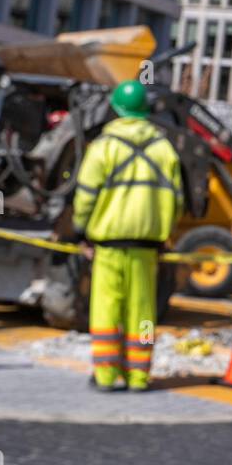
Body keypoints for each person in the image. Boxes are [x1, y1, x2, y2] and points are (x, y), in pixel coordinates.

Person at [72, 80, 183, 392]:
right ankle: (138, 376)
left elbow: (85, 196)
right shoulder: (164, 149)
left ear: (117, 110)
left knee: (106, 309)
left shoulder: (103, 147)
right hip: (147, 247)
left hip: (107, 245)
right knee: (143, 315)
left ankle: (106, 376)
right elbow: (177, 201)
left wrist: (81, 230)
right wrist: (165, 233)